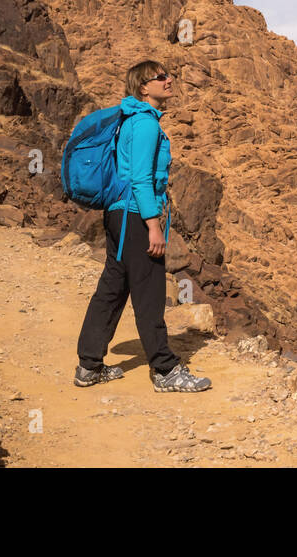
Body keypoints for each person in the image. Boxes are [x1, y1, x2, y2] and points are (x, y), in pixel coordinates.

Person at [73, 59, 211, 392]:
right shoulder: (146, 123)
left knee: (113, 288)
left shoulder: (130, 121)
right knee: (149, 291)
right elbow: (140, 178)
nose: (169, 80)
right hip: (135, 215)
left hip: (118, 214)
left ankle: (88, 366)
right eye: (159, 77)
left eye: (168, 75)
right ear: (142, 87)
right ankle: (165, 370)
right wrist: (152, 224)